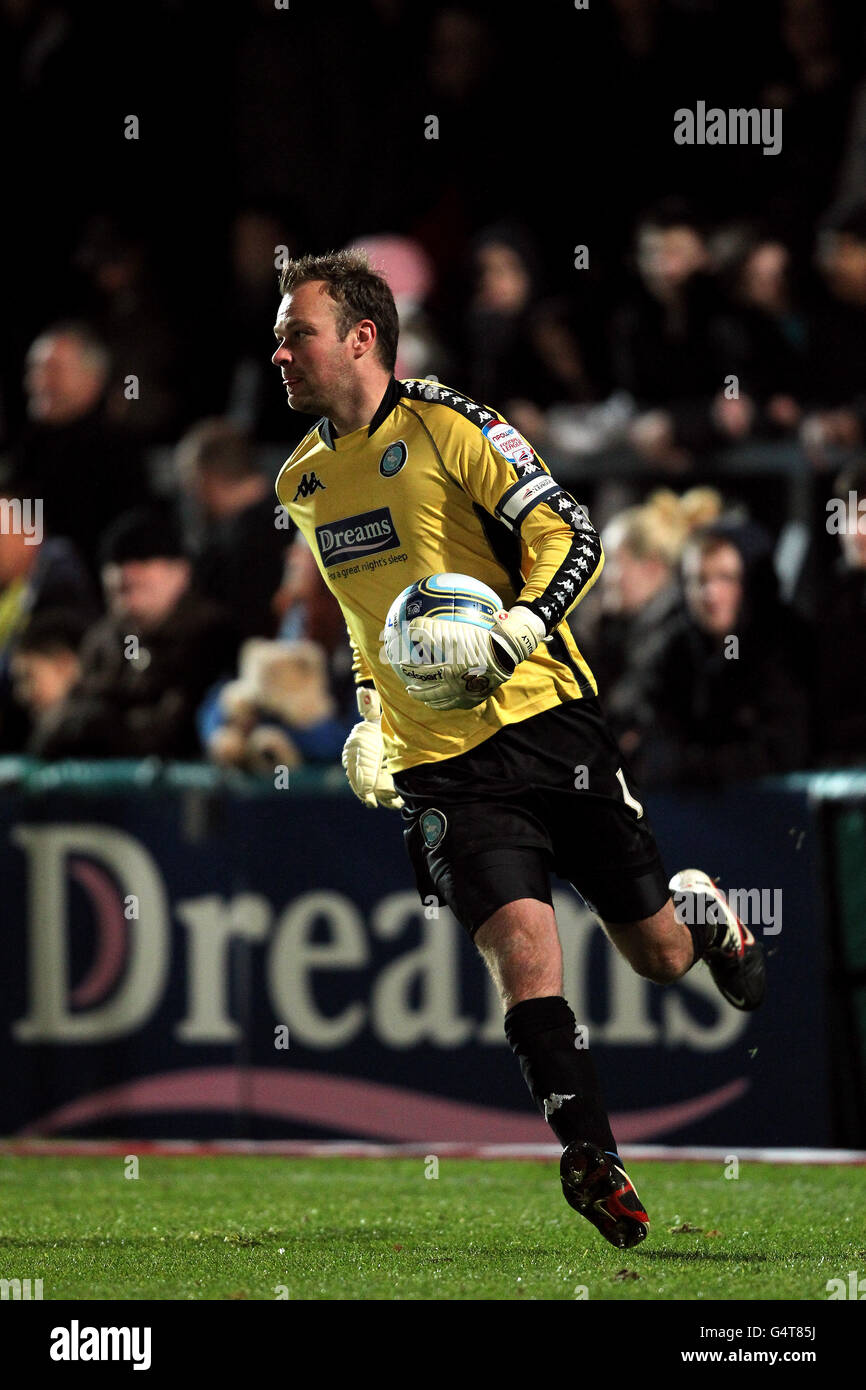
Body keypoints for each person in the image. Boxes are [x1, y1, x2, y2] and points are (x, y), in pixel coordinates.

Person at [271, 249, 766, 1251]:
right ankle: (590, 1152)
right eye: (278, 336)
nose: (277, 352)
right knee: (521, 951)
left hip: (548, 723)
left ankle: (699, 915)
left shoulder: (449, 423)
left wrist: (521, 626)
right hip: (441, 762)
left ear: (361, 337)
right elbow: (367, 628)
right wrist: (369, 713)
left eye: (296, 333)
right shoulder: (303, 481)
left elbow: (570, 533)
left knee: (656, 953)